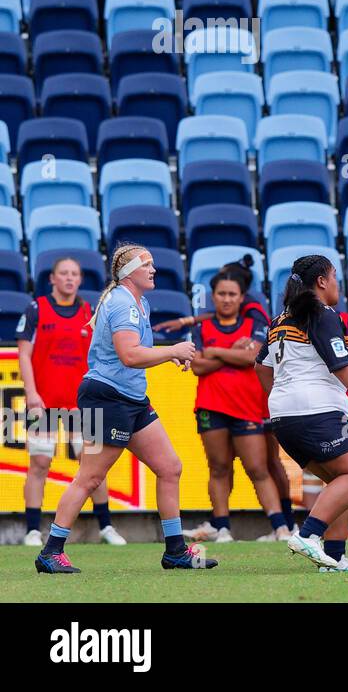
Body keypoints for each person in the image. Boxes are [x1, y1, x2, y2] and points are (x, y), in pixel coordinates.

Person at [36, 246, 209, 574]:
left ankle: (175, 551)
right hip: (108, 398)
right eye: (147, 264)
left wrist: (165, 354)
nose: (154, 270)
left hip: (129, 398)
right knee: (90, 477)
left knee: (170, 467)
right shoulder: (121, 303)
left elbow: (132, 352)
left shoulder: (136, 302)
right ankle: (51, 551)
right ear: (129, 271)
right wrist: (172, 348)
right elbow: (129, 355)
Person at [255, 255, 348, 572]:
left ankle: (332, 557)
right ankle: (309, 535)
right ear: (322, 281)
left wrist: (280, 397)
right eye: (334, 277)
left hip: (285, 415)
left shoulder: (279, 320)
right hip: (316, 408)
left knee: (340, 479)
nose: (338, 284)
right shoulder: (323, 313)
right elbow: (342, 364)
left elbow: (260, 367)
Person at [18, 257, 125, 548]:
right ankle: (32, 530)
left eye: (74, 274)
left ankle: (106, 526)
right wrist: (31, 394)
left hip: (83, 403)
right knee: (39, 462)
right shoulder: (36, 308)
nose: (68, 278)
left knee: (93, 466)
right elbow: (24, 355)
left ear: (80, 280)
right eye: (63, 273)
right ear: (52, 279)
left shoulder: (90, 311)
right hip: (45, 403)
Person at [184, 269, 290, 543]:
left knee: (258, 468)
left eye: (232, 294)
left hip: (246, 407)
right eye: (221, 294)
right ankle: (222, 528)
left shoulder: (253, 325)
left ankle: (280, 527)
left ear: (242, 297)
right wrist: (234, 352)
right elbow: (197, 365)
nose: (227, 299)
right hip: (211, 406)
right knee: (218, 468)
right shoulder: (200, 328)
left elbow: (253, 356)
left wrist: (217, 351)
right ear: (213, 296)